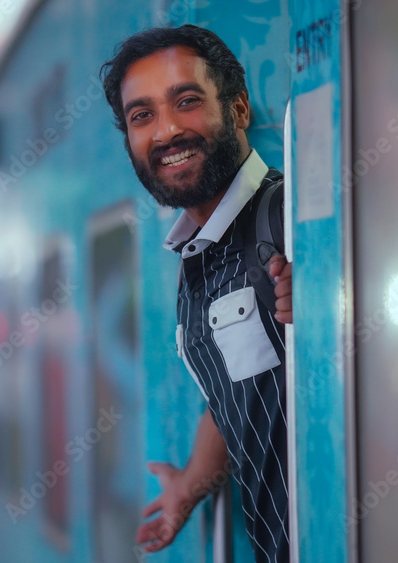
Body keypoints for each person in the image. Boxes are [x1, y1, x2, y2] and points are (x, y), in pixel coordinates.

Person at [100, 24, 293, 563]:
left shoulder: (292, 217)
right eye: (142, 116)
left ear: (237, 109)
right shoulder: (197, 256)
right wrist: (188, 485)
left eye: (186, 102)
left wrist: (331, 305)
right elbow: (234, 391)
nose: (165, 132)